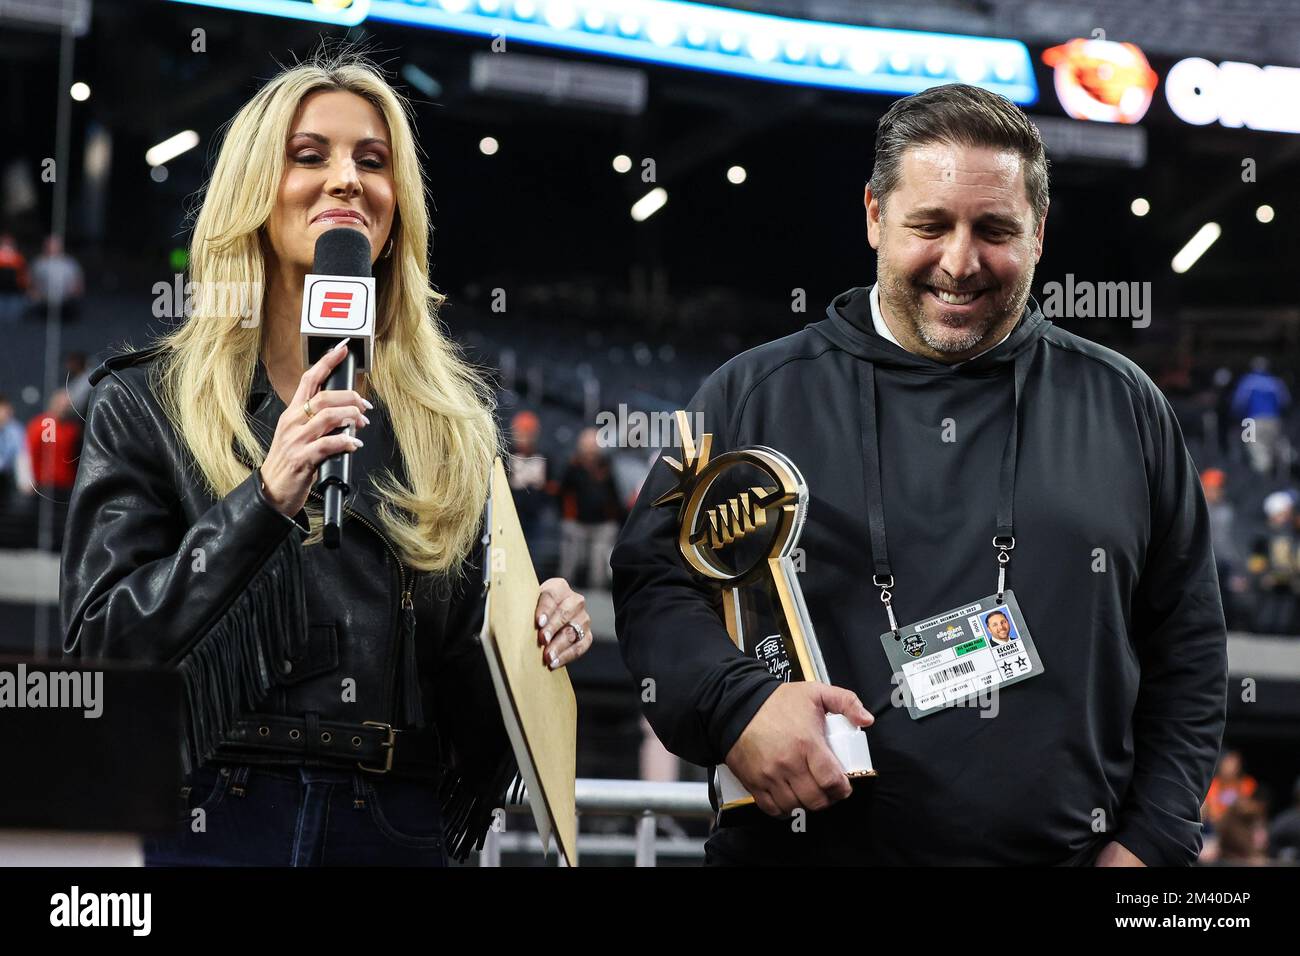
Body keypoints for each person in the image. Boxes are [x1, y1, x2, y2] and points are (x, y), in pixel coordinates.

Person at [612, 83, 1228, 866]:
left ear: (1038, 232)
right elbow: (654, 588)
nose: (961, 262)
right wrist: (738, 706)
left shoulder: (1124, 406)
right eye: (930, 225)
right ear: (874, 215)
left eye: (995, 229)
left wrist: (1153, 842)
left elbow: (1190, 650)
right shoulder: (750, 396)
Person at [60, 50, 593, 867]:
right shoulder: (146, 403)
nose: (347, 179)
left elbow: (459, 703)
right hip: (214, 813)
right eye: (309, 156)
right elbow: (103, 648)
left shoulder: (451, 428)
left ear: (397, 207)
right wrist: (262, 501)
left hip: (394, 826)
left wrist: (531, 636)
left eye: (372, 162)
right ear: (254, 191)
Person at [558, 427, 625, 588]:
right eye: (586, 445)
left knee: (599, 570)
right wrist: (567, 517)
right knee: (569, 565)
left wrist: (614, 519)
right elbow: (562, 493)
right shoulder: (573, 466)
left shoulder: (606, 467)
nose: (589, 450)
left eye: (593, 446)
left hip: (602, 524)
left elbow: (614, 495)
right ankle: (563, 592)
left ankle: (598, 602)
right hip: (576, 523)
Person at [1247, 491, 1299, 634]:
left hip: (1288, 579)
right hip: (1270, 578)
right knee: (1267, 610)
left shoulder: (1293, 534)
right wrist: (1261, 575)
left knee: (1286, 610)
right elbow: (1257, 559)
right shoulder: (1264, 534)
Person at [1231, 357, 1290, 476]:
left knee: (1255, 450)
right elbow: (1285, 402)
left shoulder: (1248, 381)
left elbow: (1239, 403)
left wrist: (1236, 418)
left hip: (1252, 421)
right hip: (1273, 420)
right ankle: (1276, 477)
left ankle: (1262, 481)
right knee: (1273, 449)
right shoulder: (1275, 382)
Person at [27, 234, 84, 322]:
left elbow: (78, 282)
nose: (51, 248)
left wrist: (74, 292)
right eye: (49, 245)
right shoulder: (38, 263)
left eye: (55, 245)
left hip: (65, 300)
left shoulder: (70, 263)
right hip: (44, 300)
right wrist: (34, 292)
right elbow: (30, 281)